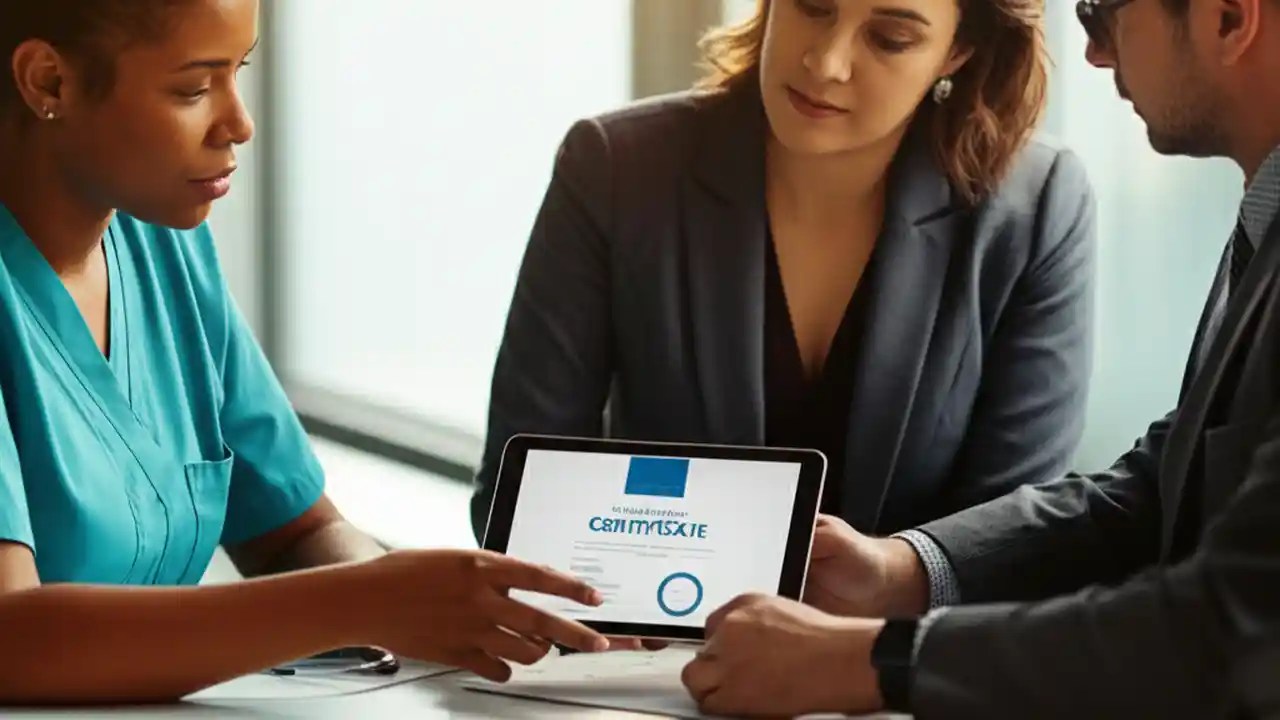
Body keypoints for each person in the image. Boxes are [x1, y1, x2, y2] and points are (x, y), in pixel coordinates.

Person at [0, 0, 610, 705]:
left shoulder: (165, 246)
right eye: (194, 89)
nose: (239, 123)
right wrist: (366, 598)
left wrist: (452, 610)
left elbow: (296, 531)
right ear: (48, 82)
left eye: (241, 72)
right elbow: (13, 639)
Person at [681, 0, 1280, 717]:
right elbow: (1165, 489)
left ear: (1226, 18)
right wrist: (905, 569)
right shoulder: (1264, 214)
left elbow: (1241, 627)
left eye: (1103, 12)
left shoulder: (1042, 201)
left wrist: (865, 659)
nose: (1095, 54)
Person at [470, 0, 1097, 550]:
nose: (826, 62)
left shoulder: (1035, 207)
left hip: (901, 669)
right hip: (649, 659)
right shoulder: (615, 169)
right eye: (813, 6)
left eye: (890, 38)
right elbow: (519, 495)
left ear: (958, 51)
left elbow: (1008, 538)